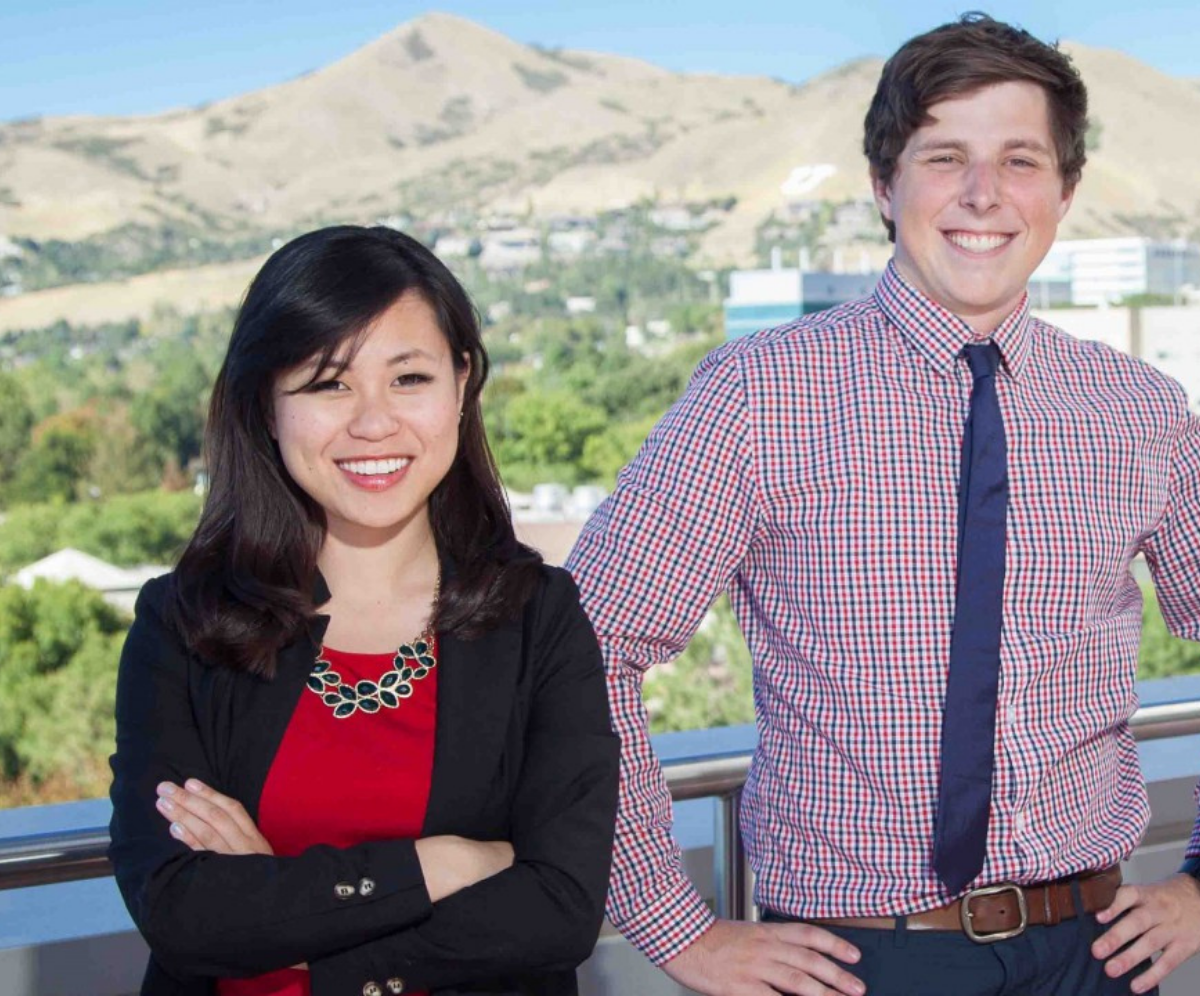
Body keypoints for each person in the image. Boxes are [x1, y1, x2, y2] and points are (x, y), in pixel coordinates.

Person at [566, 14, 1200, 996]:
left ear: (1064, 192)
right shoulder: (757, 395)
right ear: (883, 183)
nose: (985, 194)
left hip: (1098, 948)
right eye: (945, 156)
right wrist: (673, 926)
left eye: (1020, 160)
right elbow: (585, 644)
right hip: (862, 961)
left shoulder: (1143, 408)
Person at [108, 225, 619, 996]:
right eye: (327, 383)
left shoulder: (537, 618)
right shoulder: (185, 623)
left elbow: (559, 909)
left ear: (462, 381)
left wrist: (294, 926)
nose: (373, 422)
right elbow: (183, 911)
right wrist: (440, 864)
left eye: (409, 378)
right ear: (265, 405)